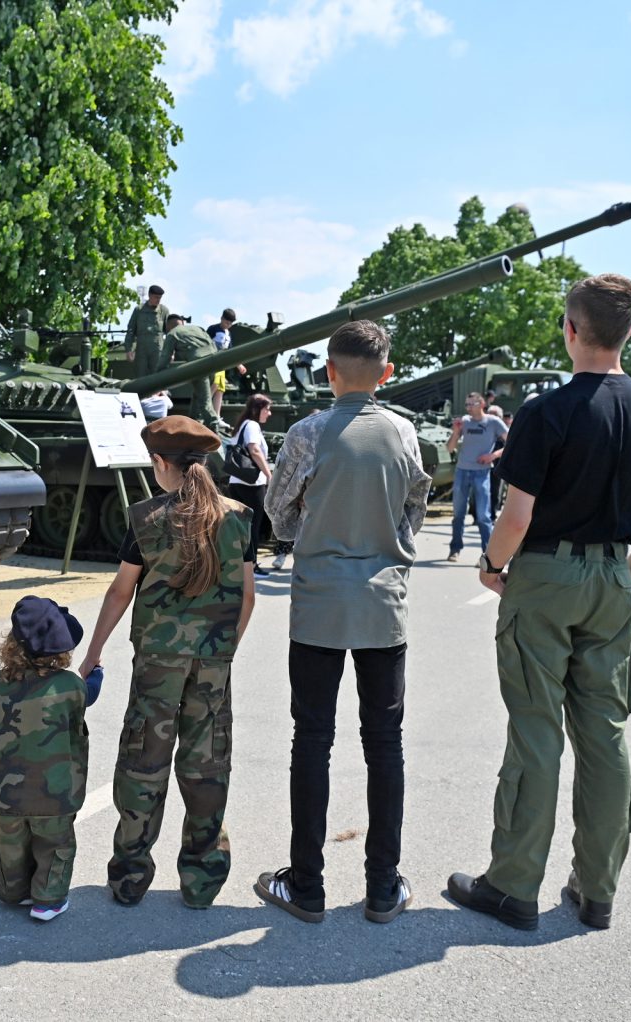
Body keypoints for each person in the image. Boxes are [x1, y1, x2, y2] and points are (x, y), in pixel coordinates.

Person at [446, 274, 631, 931]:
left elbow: (517, 515)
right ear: (629, 331)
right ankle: (597, 887)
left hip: (546, 576)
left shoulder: (546, 413)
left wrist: (493, 565)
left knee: (535, 729)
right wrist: (626, 572)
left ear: (570, 329)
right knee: (604, 733)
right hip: (611, 576)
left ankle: (513, 885)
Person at [254, 319, 431, 925]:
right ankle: (383, 886)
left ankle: (306, 886)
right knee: (386, 746)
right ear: (386, 374)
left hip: (319, 605)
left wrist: (318, 529)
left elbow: (277, 515)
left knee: (313, 741)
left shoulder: (305, 433)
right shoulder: (404, 432)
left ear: (329, 372)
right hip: (384, 606)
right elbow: (414, 509)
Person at [78, 415, 256, 909]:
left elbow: (120, 592)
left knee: (143, 764)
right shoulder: (240, 516)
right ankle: (201, 882)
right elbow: (248, 598)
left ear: (160, 463)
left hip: (157, 664)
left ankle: (131, 876)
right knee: (206, 765)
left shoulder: (146, 518)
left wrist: (92, 654)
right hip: (213, 663)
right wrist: (223, 649)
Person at [0, 596, 98, 922]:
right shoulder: (71, 687)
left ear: (11, 645)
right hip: (53, 793)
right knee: (55, 845)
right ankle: (48, 900)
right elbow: (90, 692)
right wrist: (95, 675)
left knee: (8, 845)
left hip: (3, 793)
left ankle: (12, 892)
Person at [445, 392, 507, 562]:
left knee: (483, 516)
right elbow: (449, 449)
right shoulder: (464, 422)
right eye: (466, 404)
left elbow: (512, 443)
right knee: (458, 513)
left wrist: (493, 456)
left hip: (482, 472)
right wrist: (456, 432)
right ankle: (455, 549)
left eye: (471, 404)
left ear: (481, 404)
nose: (468, 408)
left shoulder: (493, 422)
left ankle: (487, 555)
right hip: (462, 471)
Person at [227, 394, 274, 577]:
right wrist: (269, 474)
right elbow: (254, 449)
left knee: (240, 526)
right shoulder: (253, 425)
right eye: (267, 409)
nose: (269, 414)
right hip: (252, 484)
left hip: (236, 481)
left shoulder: (242, 425)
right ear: (257, 409)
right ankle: (252, 566)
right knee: (253, 525)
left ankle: (240, 565)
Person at [157, 313, 223, 433]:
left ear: (168, 327)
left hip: (199, 366)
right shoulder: (198, 328)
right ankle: (193, 423)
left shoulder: (173, 334)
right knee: (198, 396)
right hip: (215, 363)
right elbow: (212, 344)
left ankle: (214, 426)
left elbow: (164, 360)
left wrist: (156, 378)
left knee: (204, 401)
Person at [124, 285, 169, 378]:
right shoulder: (138, 310)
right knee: (141, 378)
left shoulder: (163, 311)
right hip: (141, 351)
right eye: (156, 297)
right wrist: (129, 350)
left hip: (157, 351)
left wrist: (171, 352)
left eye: (160, 298)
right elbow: (131, 330)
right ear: (149, 295)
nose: (158, 300)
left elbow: (169, 332)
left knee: (158, 377)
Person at [207, 309, 238, 418]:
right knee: (216, 384)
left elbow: (230, 350)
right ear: (222, 319)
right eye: (226, 323)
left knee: (220, 388)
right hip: (213, 362)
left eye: (230, 324)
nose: (228, 325)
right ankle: (205, 404)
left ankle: (217, 415)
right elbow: (205, 343)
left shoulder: (228, 333)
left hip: (222, 364)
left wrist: (238, 364)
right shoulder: (213, 329)